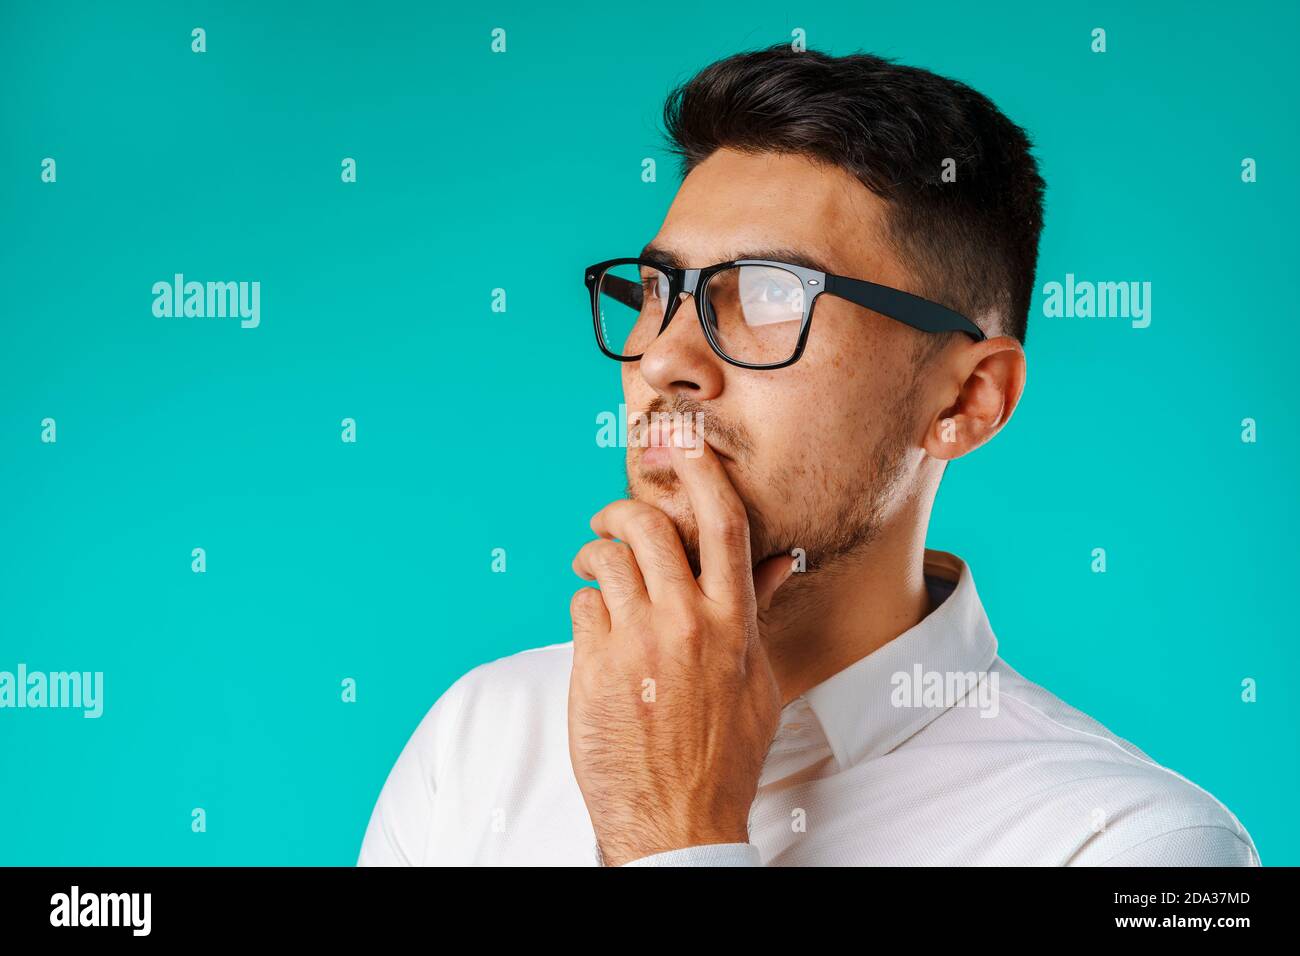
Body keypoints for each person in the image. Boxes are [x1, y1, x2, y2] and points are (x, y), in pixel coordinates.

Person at [359, 45, 1259, 866]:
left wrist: (674, 836)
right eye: (659, 289)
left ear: (965, 399)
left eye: (768, 292)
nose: (664, 358)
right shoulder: (477, 736)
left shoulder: (1144, 849)